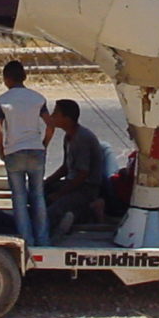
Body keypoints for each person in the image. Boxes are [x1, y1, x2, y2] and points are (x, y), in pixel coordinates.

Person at [0, 59, 52, 246]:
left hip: (14, 152)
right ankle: (43, 239)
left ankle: (27, 240)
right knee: (38, 195)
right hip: (36, 150)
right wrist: (44, 144)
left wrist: (2, 151)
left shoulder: (3, 100)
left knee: (18, 198)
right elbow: (50, 124)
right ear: (24, 77)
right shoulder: (38, 98)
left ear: (6, 79)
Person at [44, 99, 104, 240]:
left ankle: (89, 211)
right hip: (73, 183)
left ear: (67, 118)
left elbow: (83, 175)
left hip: (86, 188)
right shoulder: (68, 137)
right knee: (41, 193)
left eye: (56, 113)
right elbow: (66, 167)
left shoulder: (82, 138)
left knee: (55, 210)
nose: (52, 116)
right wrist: (47, 182)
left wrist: (59, 194)